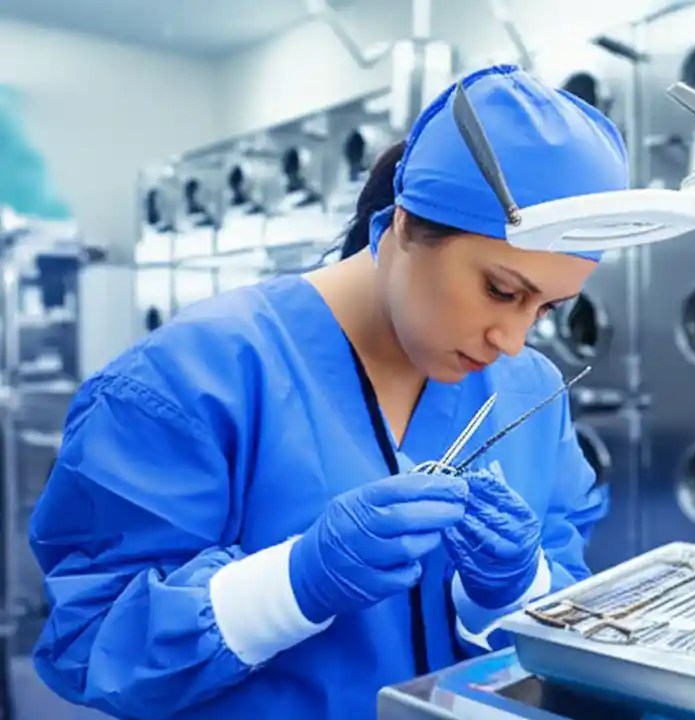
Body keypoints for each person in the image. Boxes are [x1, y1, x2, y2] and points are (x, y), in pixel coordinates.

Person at [28, 63, 625, 720]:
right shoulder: (192, 378)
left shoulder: (530, 390)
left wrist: (512, 591)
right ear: (403, 225)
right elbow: (92, 641)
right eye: (501, 291)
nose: (512, 340)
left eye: (545, 309)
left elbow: (567, 592)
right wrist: (292, 585)